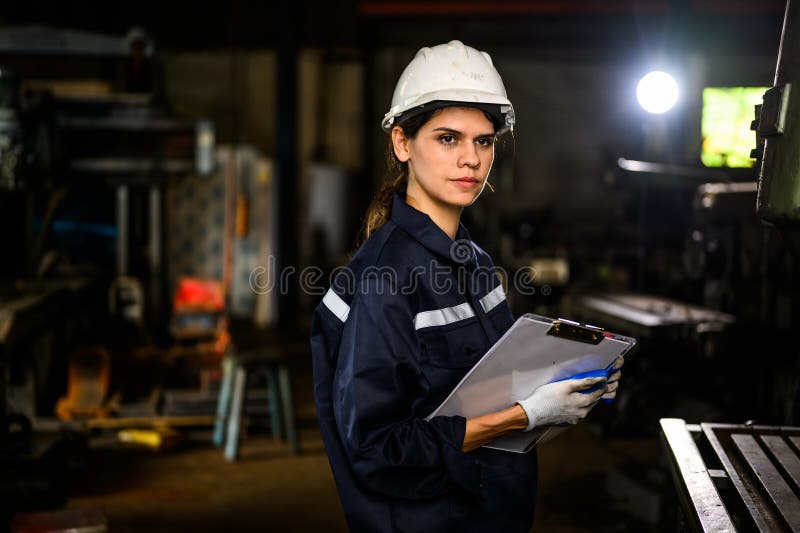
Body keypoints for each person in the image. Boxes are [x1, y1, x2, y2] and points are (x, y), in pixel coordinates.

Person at [310, 40, 623, 532]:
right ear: (401, 143)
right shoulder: (385, 280)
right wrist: (524, 415)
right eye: (448, 138)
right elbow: (377, 448)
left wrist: (566, 386)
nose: (471, 159)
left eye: (484, 140)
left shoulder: (475, 262)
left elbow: (483, 391)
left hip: (492, 512)